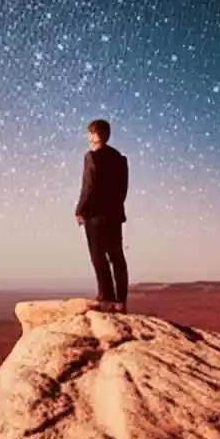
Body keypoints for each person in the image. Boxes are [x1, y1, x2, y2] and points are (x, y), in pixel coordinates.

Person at [75, 119, 129, 310]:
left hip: (96, 215)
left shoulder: (92, 157)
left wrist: (79, 210)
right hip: (114, 215)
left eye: (90, 133)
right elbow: (123, 189)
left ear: (95, 135)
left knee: (98, 255)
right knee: (117, 256)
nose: (88, 137)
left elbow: (88, 186)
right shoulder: (120, 159)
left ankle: (106, 296)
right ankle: (120, 300)